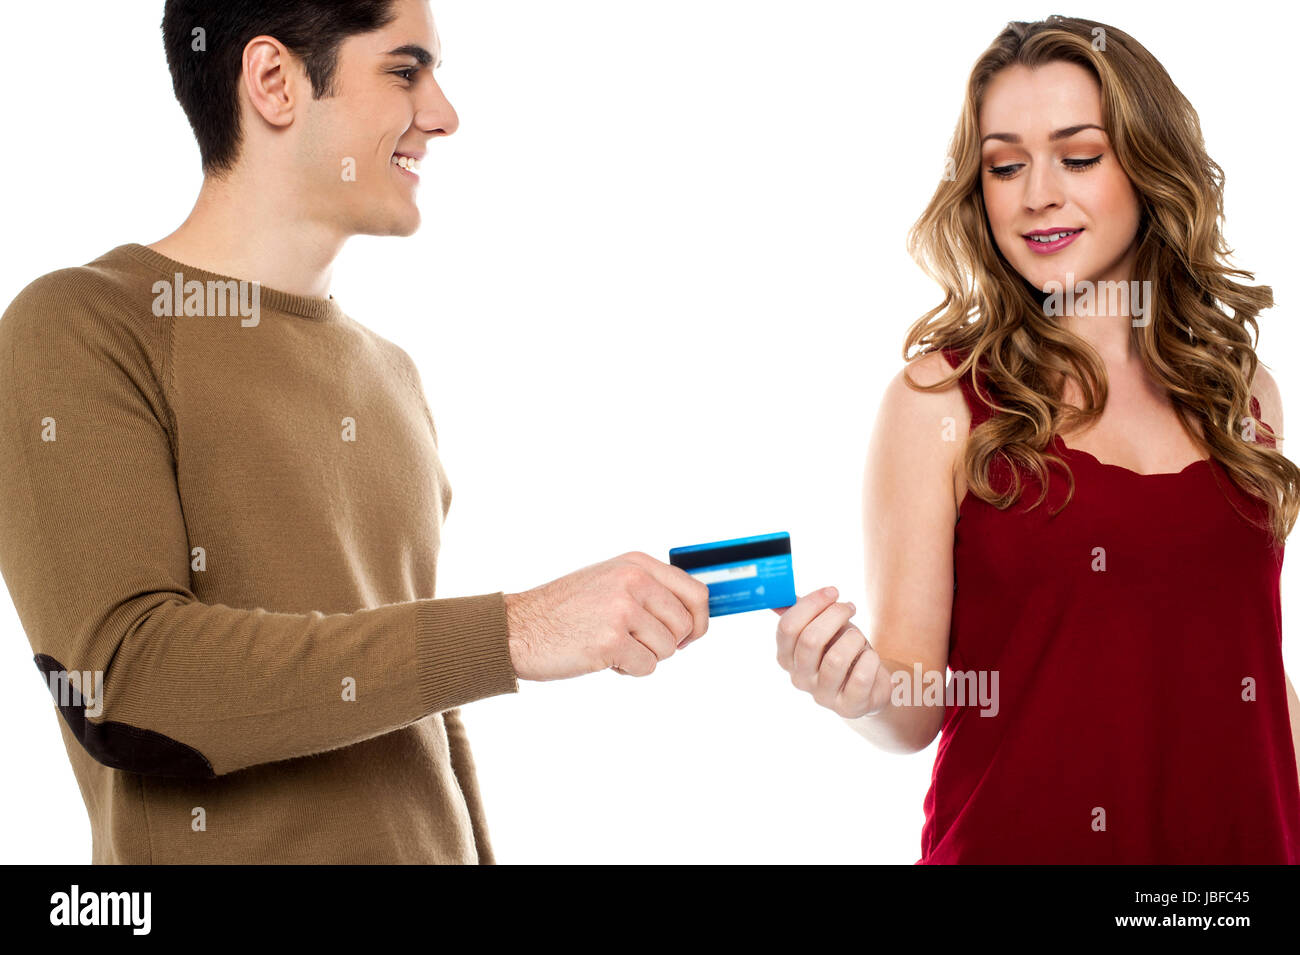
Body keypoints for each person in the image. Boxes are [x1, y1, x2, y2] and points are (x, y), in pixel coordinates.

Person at [0, 0, 708, 864]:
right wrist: (517, 629)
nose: (444, 114)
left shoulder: (392, 375)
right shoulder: (80, 325)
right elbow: (126, 683)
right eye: (405, 71)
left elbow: (423, 721)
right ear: (274, 81)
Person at [774, 15, 1300, 863]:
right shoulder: (937, 400)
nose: (1035, 194)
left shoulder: (1242, 394)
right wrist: (859, 692)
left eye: (1079, 156)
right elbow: (915, 702)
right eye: (1005, 164)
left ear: (1149, 165)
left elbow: (1253, 669)